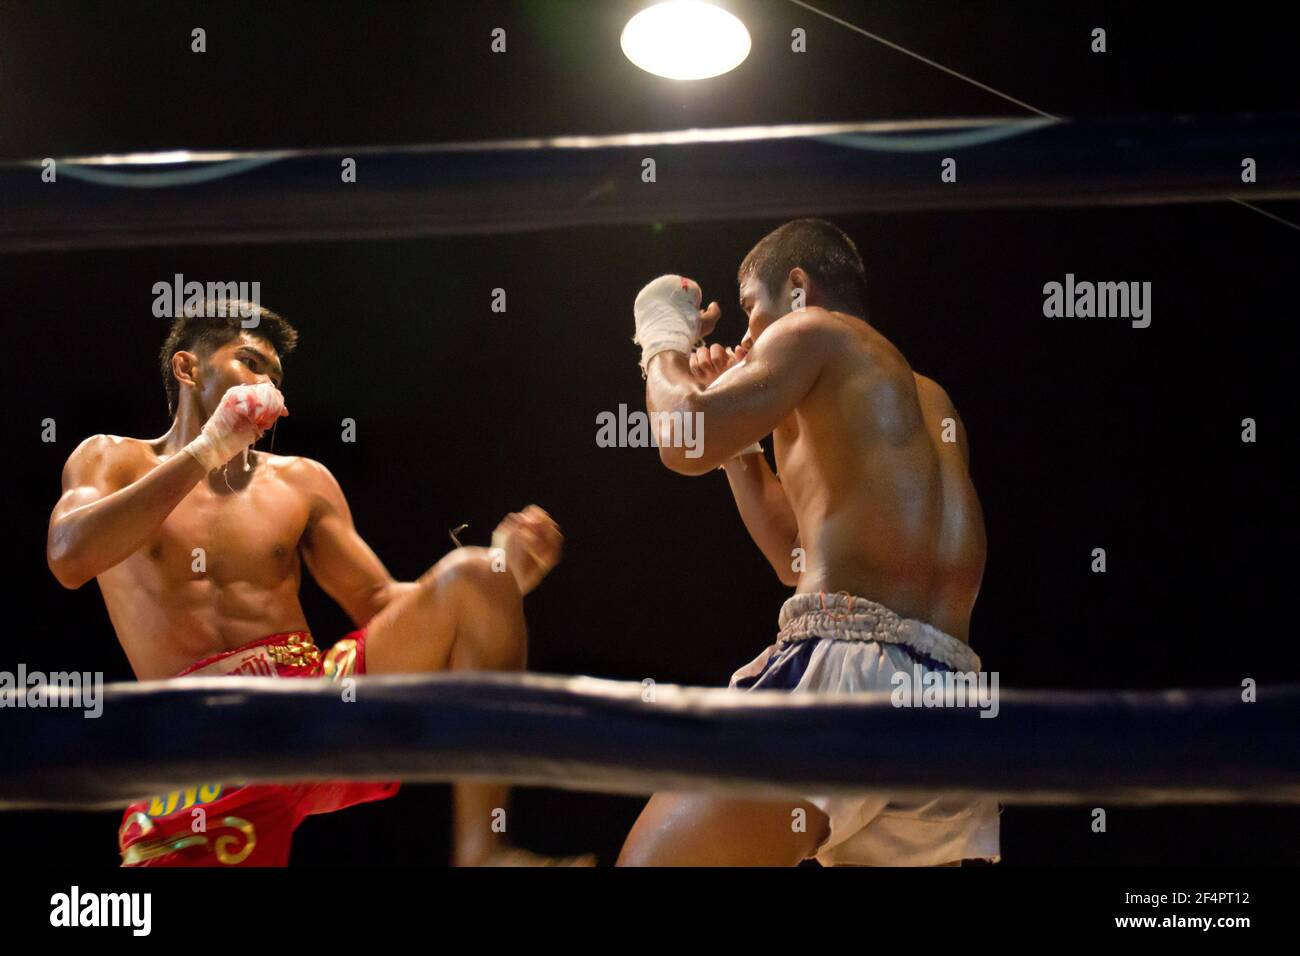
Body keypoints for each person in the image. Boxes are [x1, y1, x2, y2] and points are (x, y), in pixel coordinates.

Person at [46, 297, 582, 866]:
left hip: (317, 701)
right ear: (188, 368)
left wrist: (502, 583)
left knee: (476, 572)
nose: (266, 385)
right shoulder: (112, 460)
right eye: (250, 363)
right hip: (201, 736)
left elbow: (376, 600)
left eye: (275, 377)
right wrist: (206, 452)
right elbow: (69, 558)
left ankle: (482, 850)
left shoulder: (302, 482)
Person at [618, 219, 1000, 866]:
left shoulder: (811, 331)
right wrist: (741, 442)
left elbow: (683, 437)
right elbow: (791, 554)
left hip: (851, 676)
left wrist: (662, 340)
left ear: (797, 286)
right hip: (950, 708)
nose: (746, 338)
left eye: (750, 308)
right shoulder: (928, 398)